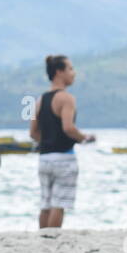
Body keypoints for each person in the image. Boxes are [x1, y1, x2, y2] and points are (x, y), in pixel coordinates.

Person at [29, 54, 95, 229]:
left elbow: (33, 132)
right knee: (59, 203)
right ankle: (52, 240)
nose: (74, 73)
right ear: (59, 72)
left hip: (44, 158)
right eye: (70, 69)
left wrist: (49, 140)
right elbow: (68, 128)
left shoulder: (39, 100)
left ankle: (42, 238)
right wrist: (85, 139)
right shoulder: (67, 98)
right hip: (64, 158)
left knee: (45, 203)